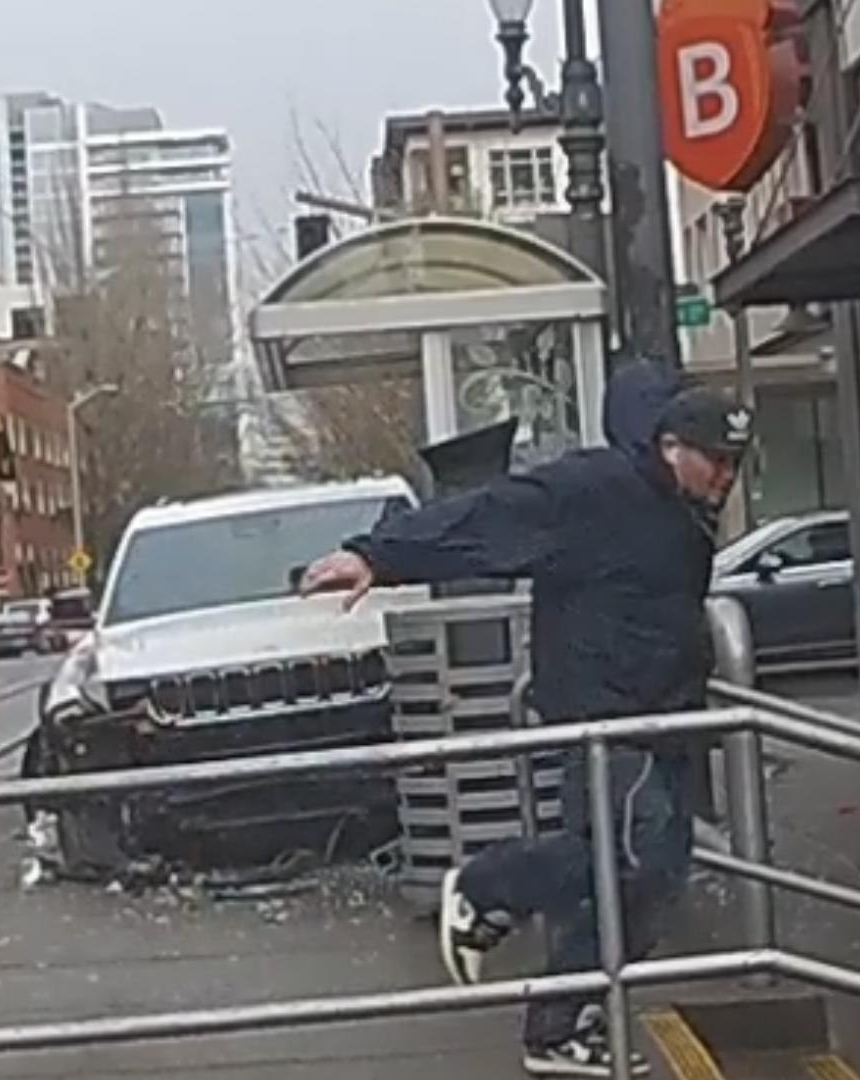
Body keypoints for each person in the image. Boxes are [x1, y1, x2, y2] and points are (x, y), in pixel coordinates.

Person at [300, 362, 748, 1078]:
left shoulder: (680, 511)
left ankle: (559, 1024)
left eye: (735, 466)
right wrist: (379, 557)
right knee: (634, 862)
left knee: (641, 879)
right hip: (606, 717)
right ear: (669, 445)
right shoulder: (597, 489)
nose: (725, 479)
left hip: (659, 716)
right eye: (716, 463)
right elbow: (491, 513)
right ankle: (490, 887)